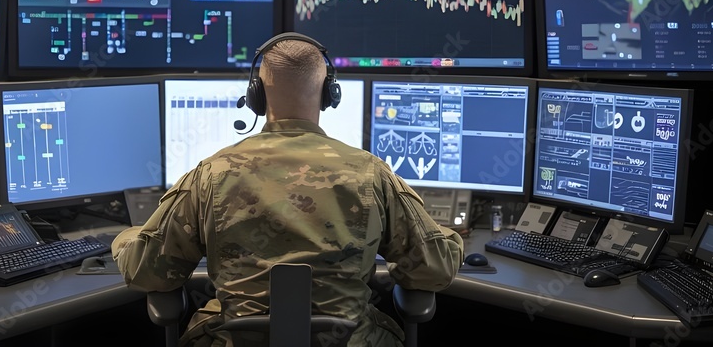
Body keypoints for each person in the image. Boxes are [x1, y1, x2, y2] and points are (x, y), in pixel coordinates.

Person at [112, 33, 465, 346]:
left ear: (257, 94)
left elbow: (148, 272)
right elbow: (434, 269)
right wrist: (449, 237)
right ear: (329, 93)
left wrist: (126, 238)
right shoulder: (371, 174)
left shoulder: (212, 174)